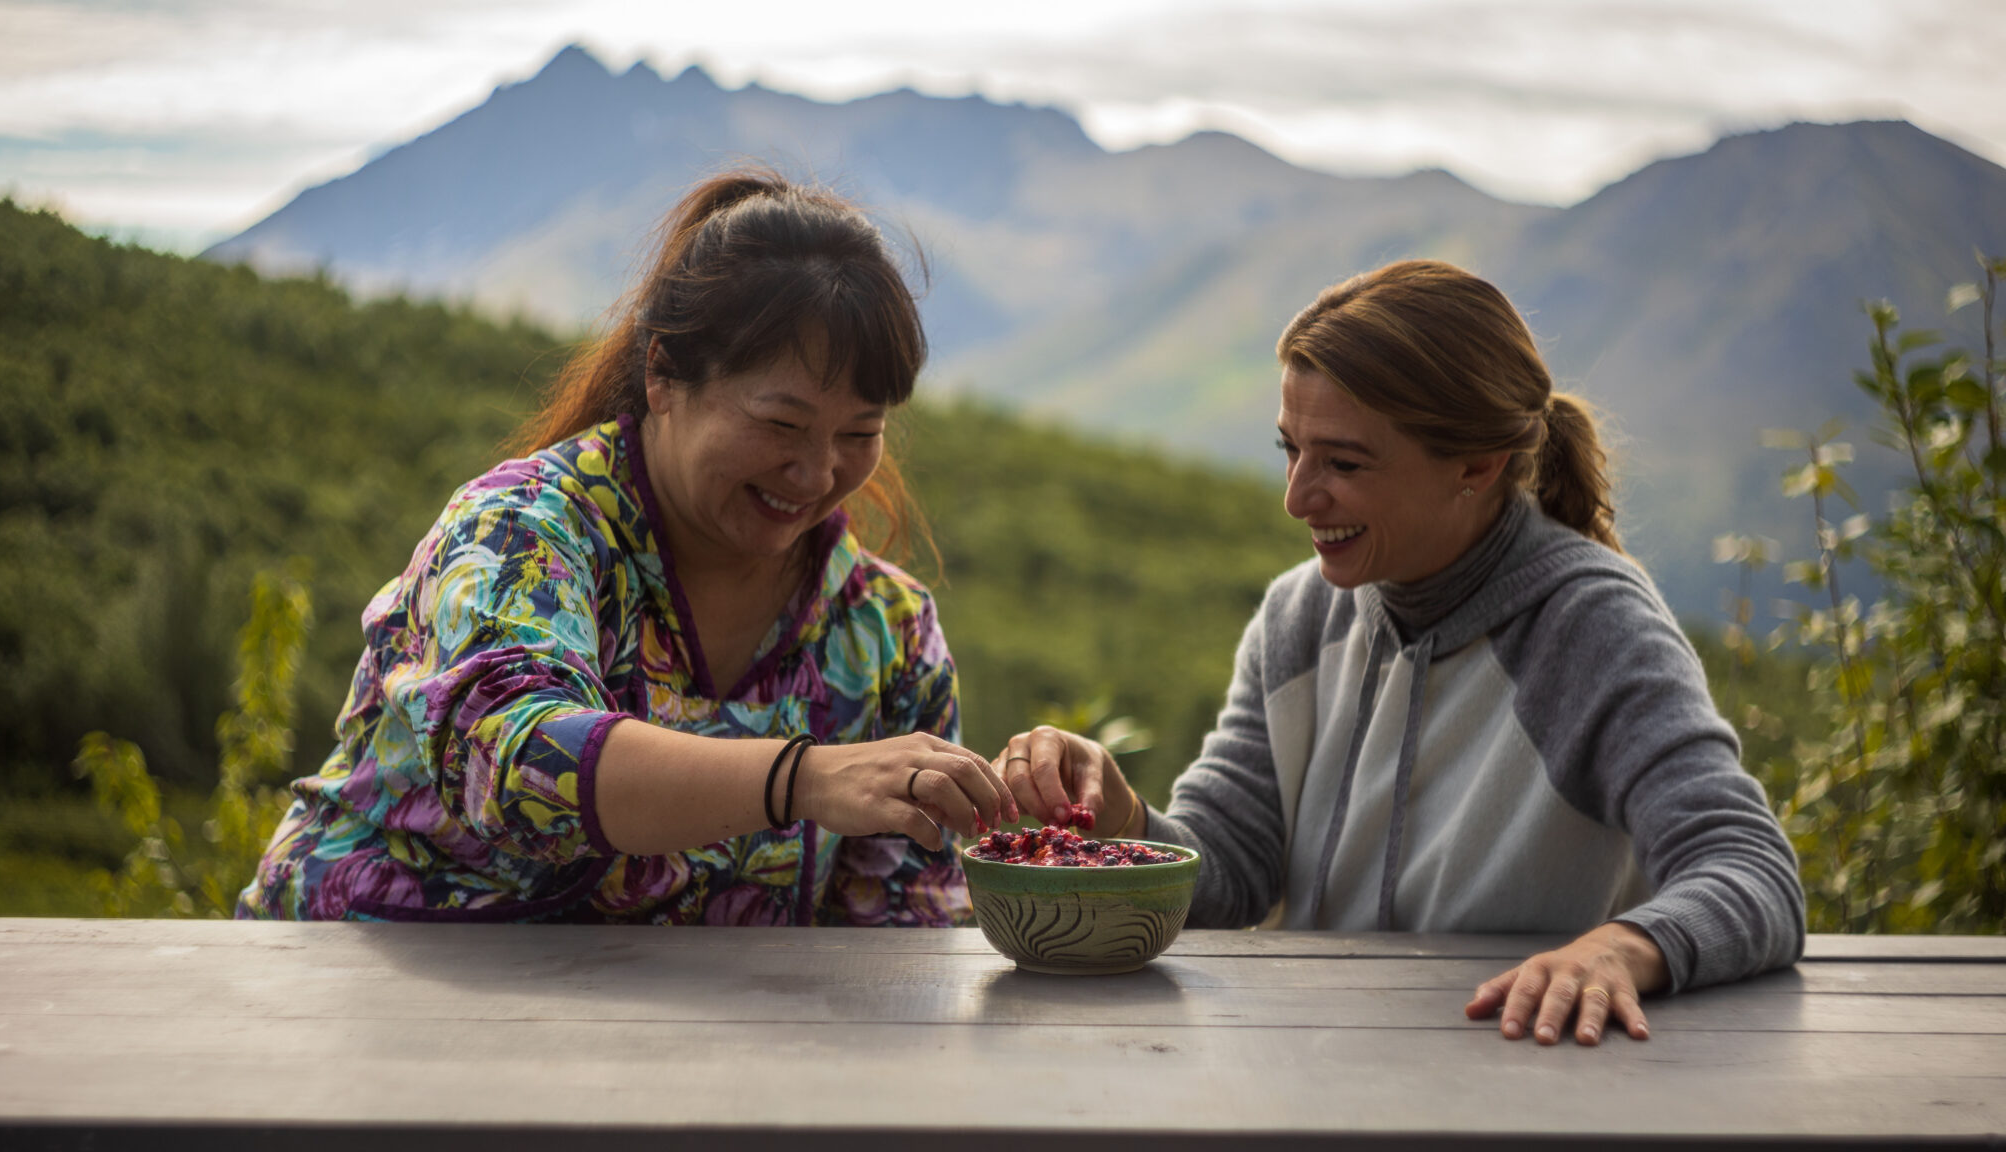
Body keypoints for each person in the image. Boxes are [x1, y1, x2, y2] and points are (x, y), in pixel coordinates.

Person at [995, 259, 1805, 1045]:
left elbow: (1752, 870)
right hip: (1320, 1080)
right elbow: (1231, 870)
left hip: (1525, 1079)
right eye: (1290, 450)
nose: (1297, 498)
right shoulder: (1299, 617)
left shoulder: (1594, 631)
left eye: (1343, 463)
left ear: (1476, 464)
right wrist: (1124, 819)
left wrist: (1621, 950)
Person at [238, 170, 1014, 925]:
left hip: (668, 1018)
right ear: (662, 375)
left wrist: (1029, 808)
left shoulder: (884, 630)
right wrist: (800, 779)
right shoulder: (521, 533)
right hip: (354, 987)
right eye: (781, 424)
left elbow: (902, 920)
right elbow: (521, 766)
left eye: (859, 434)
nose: (817, 473)